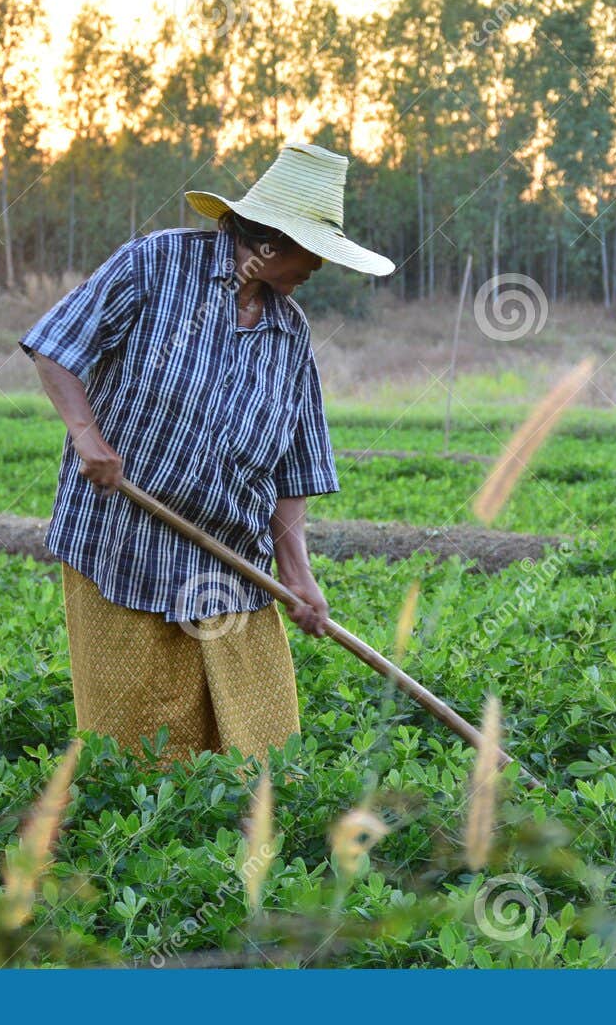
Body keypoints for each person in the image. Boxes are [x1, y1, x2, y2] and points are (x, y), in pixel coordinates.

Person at [19, 141, 395, 766]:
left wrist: (297, 573)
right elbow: (57, 346)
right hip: (124, 545)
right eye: (313, 251)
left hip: (231, 567)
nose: (320, 268)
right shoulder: (155, 265)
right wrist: (89, 439)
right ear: (272, 239)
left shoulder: (290, 330)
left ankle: (252, 850)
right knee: (137, 749)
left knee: (259, 743)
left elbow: (292, 464)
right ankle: (145, 851)